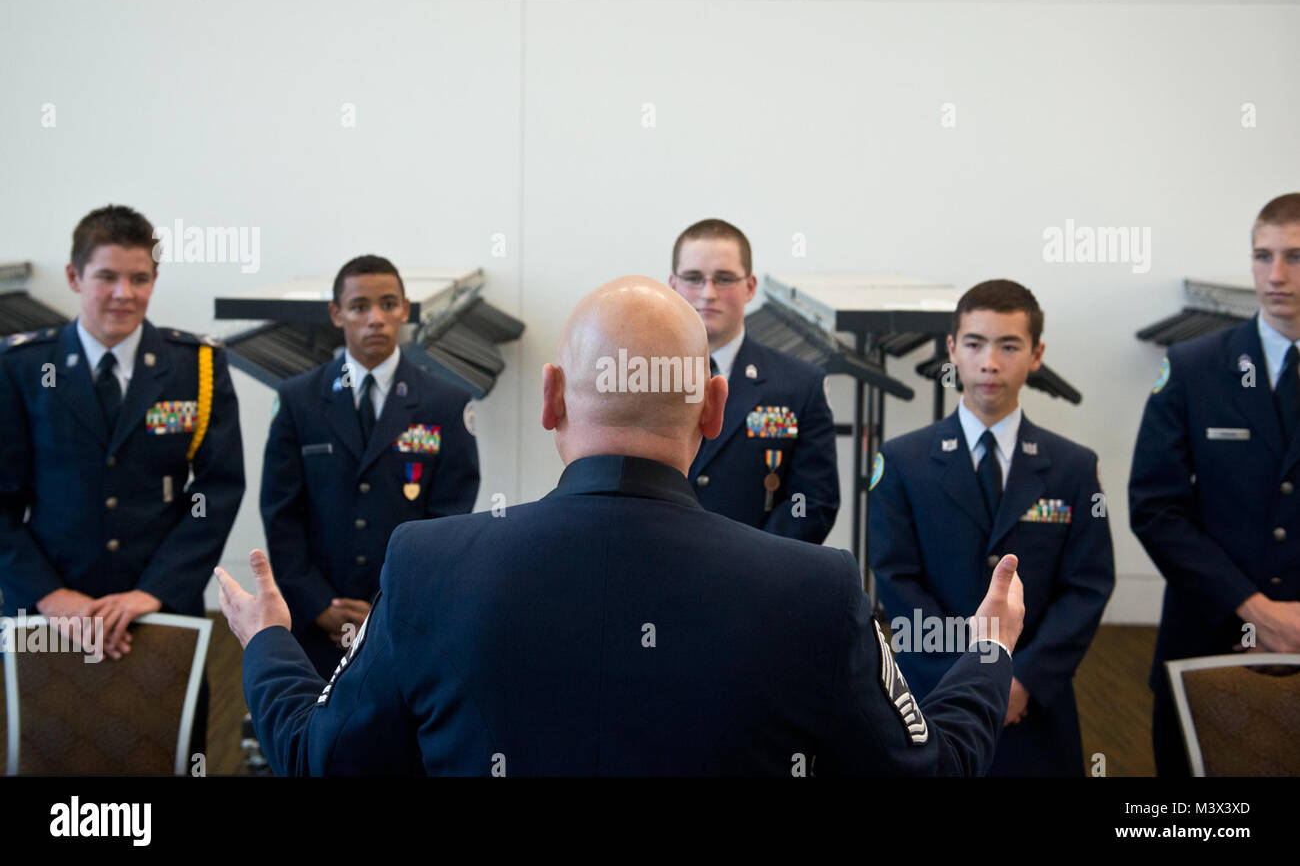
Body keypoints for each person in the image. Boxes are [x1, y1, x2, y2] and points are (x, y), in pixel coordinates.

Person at [217, 275, 1024, 776]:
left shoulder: (428, 566)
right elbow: (928, 770)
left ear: (553, 400)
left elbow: (322, 754)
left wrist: (268, 641)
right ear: (713, 409)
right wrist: (986, 655)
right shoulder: (814, 587)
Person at [0, 203, 245, 755]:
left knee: (169, 745)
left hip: (159, 604)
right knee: (50, 748)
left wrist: (152, 591)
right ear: (73, 277)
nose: (124, 293)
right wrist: (49, 595)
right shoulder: (20, 368)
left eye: (139, 278)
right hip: (54, 608)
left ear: (155, 280)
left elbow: (217, 489)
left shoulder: (197, 367)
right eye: (107, 276)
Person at [869, 279, 1114, 776]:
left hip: (1033, 703)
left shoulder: (1073, 467)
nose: (990, 364)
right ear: (952, 350)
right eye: (976, 344)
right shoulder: (903, 460)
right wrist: (976, 683)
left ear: (1037, 354)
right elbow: (897, 582)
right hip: (934, 696)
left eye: (1009, 346)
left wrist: (1020, 681)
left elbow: (1087, 586)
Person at [1130, 192, 1300, 777]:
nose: (1275, 275)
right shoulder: (1192, 366)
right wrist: (1257, 613)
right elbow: (1155, 508)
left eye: (1296, 257)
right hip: (1206, 638)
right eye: (1262, 256)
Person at [260, 255, 479, 676]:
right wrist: (316, 603)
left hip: (404, 619)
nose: (375, 319)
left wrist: (391, 603)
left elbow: (450, 520)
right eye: (360, 306)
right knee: (314, 732)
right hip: (317, 623)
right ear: (336, 313)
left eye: (388, 304)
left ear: (405, 309)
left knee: (399, 737)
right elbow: (281, 513)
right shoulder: (298, 400)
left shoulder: (445, 404)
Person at [668, 219, 839, 544]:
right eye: (693, 279)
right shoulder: (645, 376)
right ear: (673, 285)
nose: (708, 293)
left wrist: (754, 561)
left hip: (759, 579)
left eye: (724, 279)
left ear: (750, 287)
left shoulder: (801, 384)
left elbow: (812, 503)